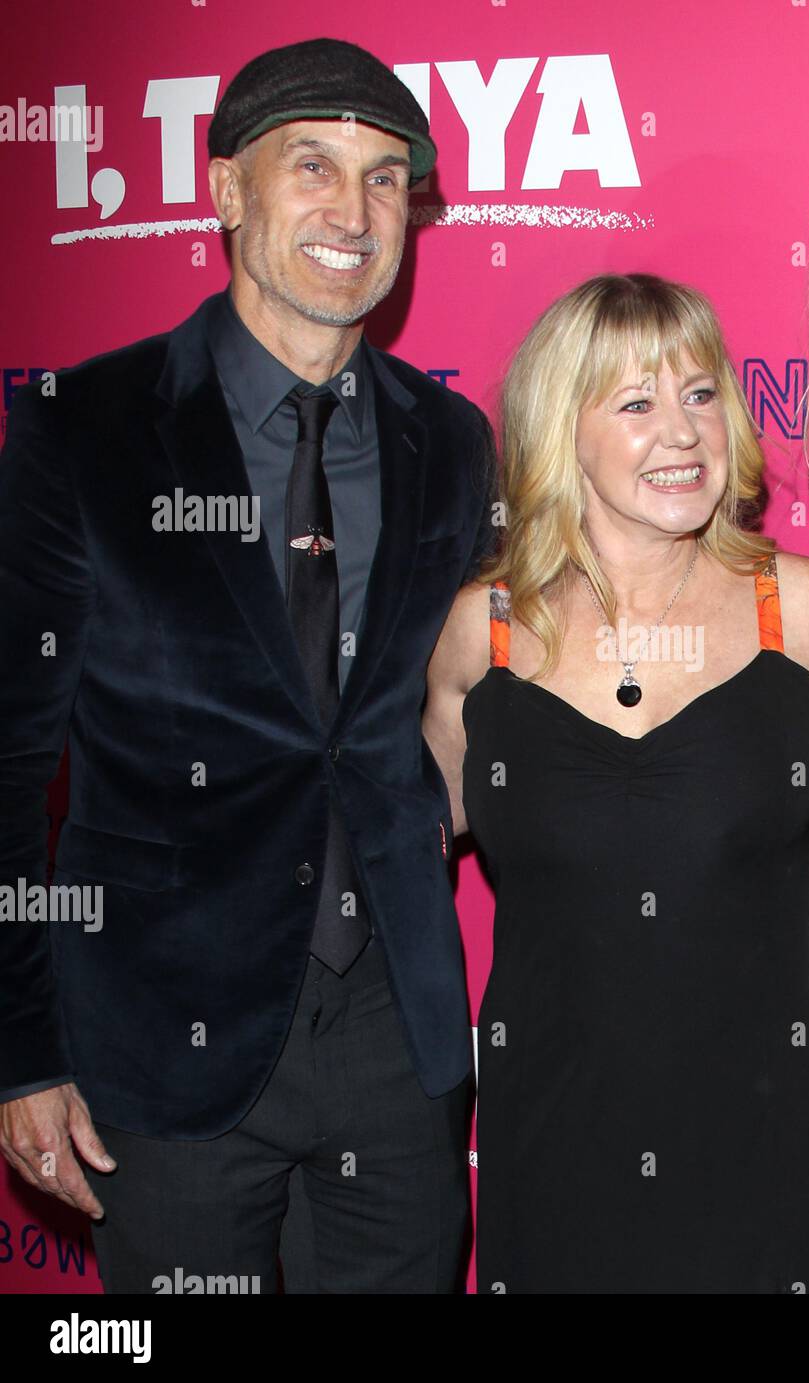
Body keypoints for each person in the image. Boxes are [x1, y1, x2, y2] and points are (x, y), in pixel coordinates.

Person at [0, 38, 495, 1293]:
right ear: (225, 189)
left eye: (387, 179)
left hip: (396, 1032)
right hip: (162, 1035)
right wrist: (19, 1052)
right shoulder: (85, 424)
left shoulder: (450, 439)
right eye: (312, 166)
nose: (355, 210)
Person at [423, 272, 809, 1293]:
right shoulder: (484, 635)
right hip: (553, 1122)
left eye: (701, 394)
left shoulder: (799, 613)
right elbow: (389, 849)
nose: (682, 432)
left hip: (757, 1119)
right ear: (561, 430)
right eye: (635, 403)